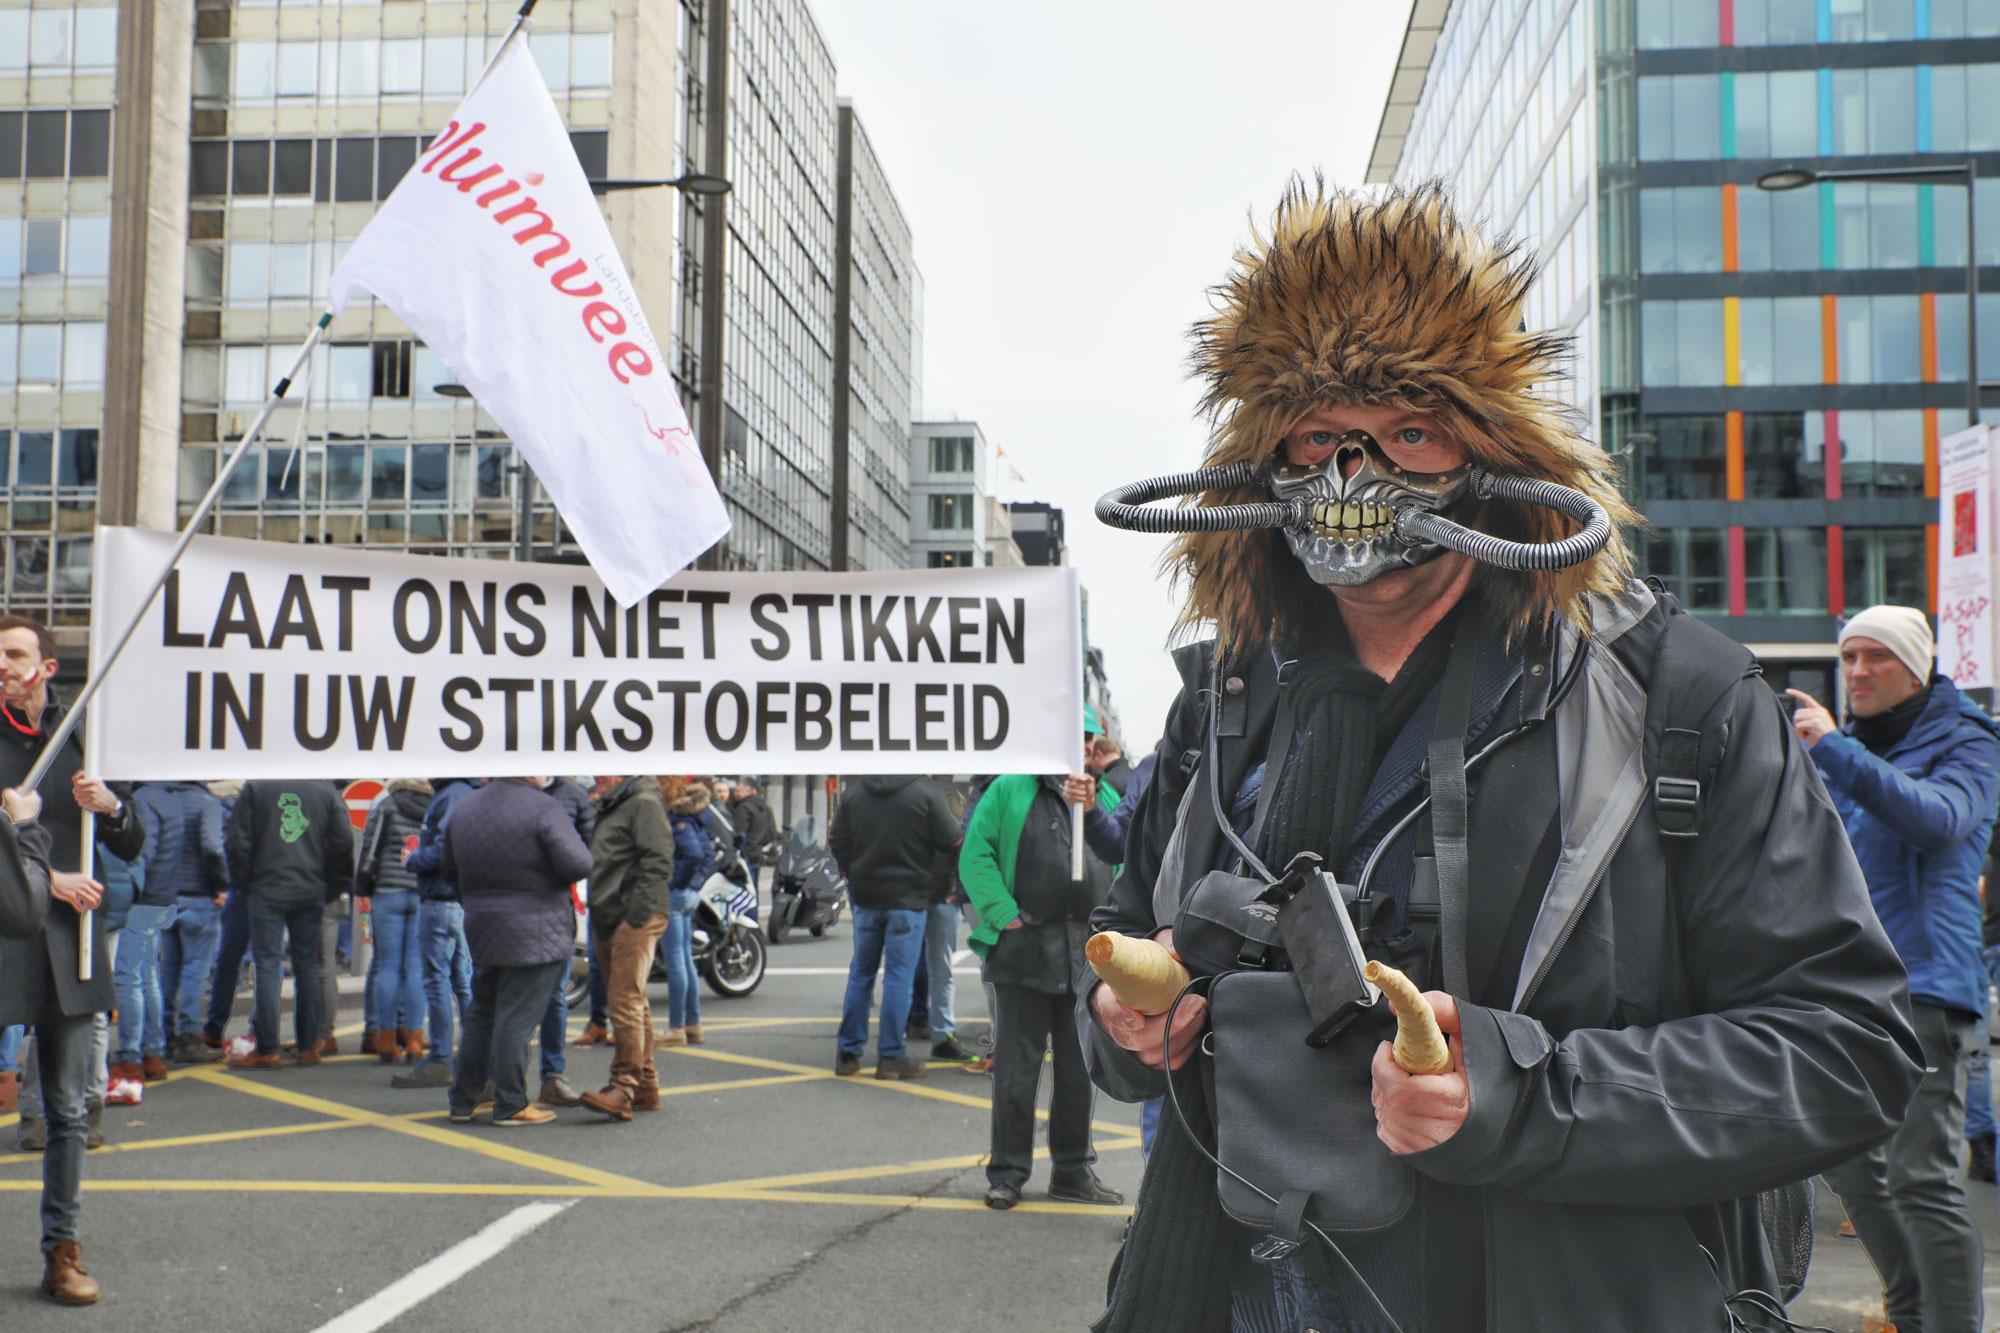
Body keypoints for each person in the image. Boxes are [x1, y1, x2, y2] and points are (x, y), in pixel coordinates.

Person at [1081, 183, 1922, 1330]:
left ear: (1486, 456)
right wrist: (1135, 1023)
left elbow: (1847, 1050)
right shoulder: (1223, 703)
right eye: (1320, 435)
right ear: (1265, 451)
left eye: (1407, 432)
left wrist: (1525, 1093)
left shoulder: (1674, 699)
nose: (1350, 475)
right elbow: (1132, 994)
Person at [1787, 606, 1999, 1333]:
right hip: (1850, 986)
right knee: (1844, 1160)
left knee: (1921, 1177)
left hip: (1929, 985)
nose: (1857, 673)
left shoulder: (1968, 739)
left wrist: (1835, 750)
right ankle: (1913, 1312)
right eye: (1848, 658)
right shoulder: (1850, 752)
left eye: (1875, 657)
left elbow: (1939, 818)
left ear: (1918, 667)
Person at [0, 612, 146, 1306]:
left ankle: (62, 1249)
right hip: (3, 928)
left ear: (46, 667)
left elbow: (132, 839)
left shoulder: (86, 736)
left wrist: (110, 803)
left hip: (66, 943)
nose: (2, 662)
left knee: (66, 1107)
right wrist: (44, 873)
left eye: (14, 652)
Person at [961, 749, 1123, 1210]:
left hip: (1086, 954)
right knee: (1015, 1072)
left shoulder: (1100, 792)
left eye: (1090, 737)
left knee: (1078, 1072)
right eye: (1080, 734)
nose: (1086, 745)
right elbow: (977, 854)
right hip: (1023, 951)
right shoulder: (1009, 787)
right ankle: (1008, 1173)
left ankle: (1072, 1171)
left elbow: (1127, 854)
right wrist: (1003, 914)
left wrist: (1114, 930)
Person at [439, 775, 592, 1128]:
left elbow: (448, 868)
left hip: (482, 925)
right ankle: (510, 1104)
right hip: (536, 930)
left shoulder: (465, 806)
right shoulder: (543, 806)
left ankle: (463, 1100)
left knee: (481, 1015)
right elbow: (578, 863)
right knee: (516, 1020)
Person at [827, 774, 962, 1081]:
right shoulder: (925, 793)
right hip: (908, 897)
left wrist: (849, 871)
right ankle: (890, 1055)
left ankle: (847, 1053)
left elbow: (837, 840)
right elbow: (954, 839)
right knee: (898, 977)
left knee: (861, 972)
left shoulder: (855, 793)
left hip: (866, 896)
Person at [224, 779, 353, 1070]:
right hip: (310, 888)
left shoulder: (257, 789)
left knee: (268, 966)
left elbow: (237, 841)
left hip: (266, 888)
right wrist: (332, 886)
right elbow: (342, 844)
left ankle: (268, 1048)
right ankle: (308, 1046)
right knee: (307, 964)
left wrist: (244, 883)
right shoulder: (324, 793)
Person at [577, 773, 677, 1121]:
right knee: (633, 1000)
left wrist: (634, 917)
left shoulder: (642, 802)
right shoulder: (617, 803)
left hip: (631, 915)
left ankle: (623, 1086)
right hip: (612, 914)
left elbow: (658, 861)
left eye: (602, 770)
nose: (595, 776)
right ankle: (645, 1087)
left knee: (624, 1000)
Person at [134, 780, 229, 1066]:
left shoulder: (159, 799)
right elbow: (213, 846)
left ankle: (164, 1034)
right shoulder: (207, 803)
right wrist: (222, 883)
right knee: (195, 971)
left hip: (164, 897)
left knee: (166, 970)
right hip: (198, 896)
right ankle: (189, 1035)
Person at [394, 777, 479, 1089]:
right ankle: (472, 1054)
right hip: (458, 901)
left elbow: (445, 849)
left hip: (441, 900)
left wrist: (413, 860)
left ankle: (441, 1057)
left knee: (436, 981)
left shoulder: (451, 795)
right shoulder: (465, 792)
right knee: (462, 981)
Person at [354, 778, 432, 1065]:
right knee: (414, 969)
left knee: (387, 965)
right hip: (421, 893)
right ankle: (413, 1039)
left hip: (388, 892)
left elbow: (370, 851)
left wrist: (362, 889)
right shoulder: (433, 807)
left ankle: (386, 1038)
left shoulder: (387, 806)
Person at [534, 775, 594, 1107]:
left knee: (555, 995)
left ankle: (552, 1076)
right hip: (516, 910)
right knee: (505, 999)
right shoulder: (506, 794)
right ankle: (494, 1083)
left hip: (557, 906)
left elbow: (588, 849)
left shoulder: (571, 795)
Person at [659, 775, 717, 1046]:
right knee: (685, 959)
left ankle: (676, 1027)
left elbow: (692, 854)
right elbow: (706, 855)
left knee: (676, 962)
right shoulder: (696, 816)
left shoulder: (678, 818)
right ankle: (693, 1024)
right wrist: (693, 885)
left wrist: (676, 882)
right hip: (689, 895)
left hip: (676, 895)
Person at [199, 780, 250, 1050]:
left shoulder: (208, 804)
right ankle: (263, 1031)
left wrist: (220, 883)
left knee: (225, 960)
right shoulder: (254, 801)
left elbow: (210, 847)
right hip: (260, 885)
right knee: (269, 961)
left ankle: (213, 1027)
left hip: (226, 889)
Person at [731, 777, 778, 892]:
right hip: (768, 856)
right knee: (765, 894)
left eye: (738, 791)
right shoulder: (766, 808)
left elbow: (739, 833)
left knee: (751, 894)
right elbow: (773, 832)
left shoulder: (743, 807)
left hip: (750, 858)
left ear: (750, 790)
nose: (735, 794)